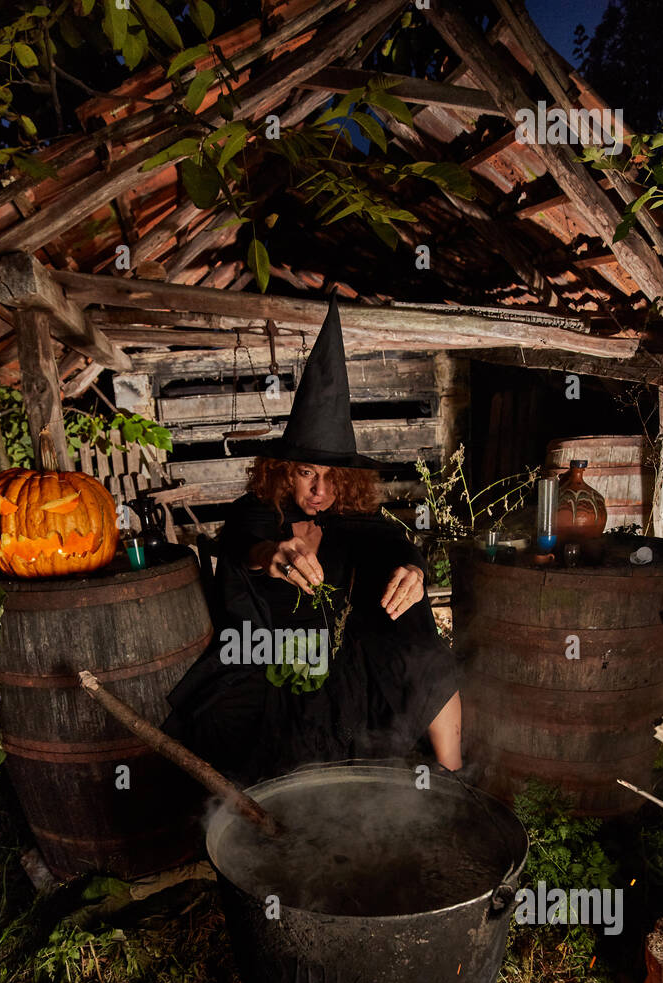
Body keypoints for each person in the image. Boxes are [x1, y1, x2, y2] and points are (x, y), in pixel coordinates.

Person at [163, 294, 462, 786]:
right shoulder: (256, 514)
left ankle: (454, 779)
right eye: (306, 473)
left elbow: (392, 544)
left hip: (346, 647)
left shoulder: (354, 521)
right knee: (235, 719)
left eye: (330, 477)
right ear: (283, 471)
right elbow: (248, 544)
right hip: (271, 650)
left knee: (422, 645)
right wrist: (271, 556)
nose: (320, 490)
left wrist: (414, 569)